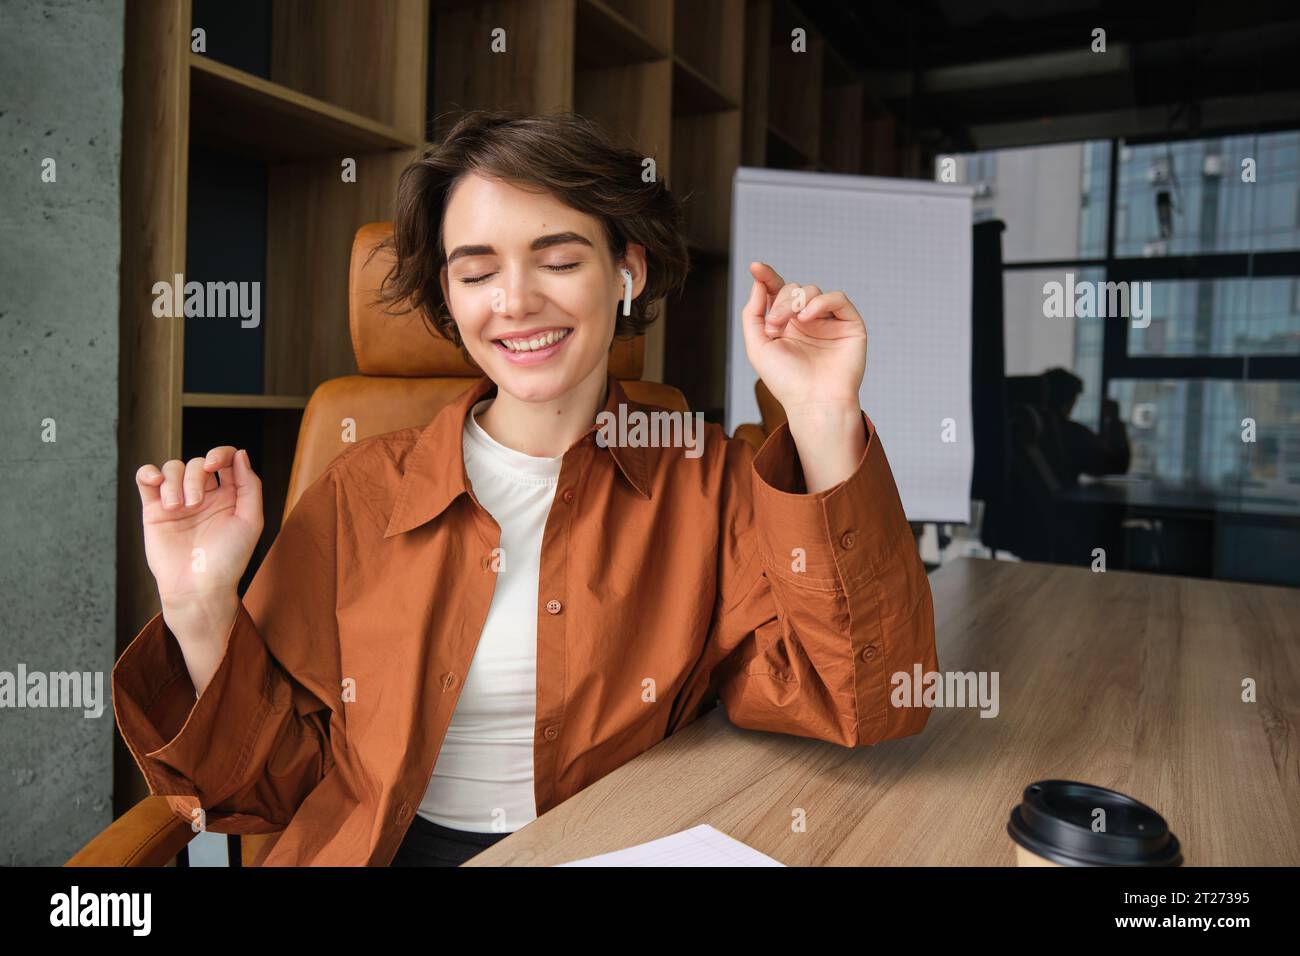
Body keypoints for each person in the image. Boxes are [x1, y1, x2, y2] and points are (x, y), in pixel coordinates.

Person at [113, 110, 937, 867]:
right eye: (476, 274)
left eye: (560, 259)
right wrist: (199, 605)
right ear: (448, 296)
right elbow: (269, 788)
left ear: (627, 273)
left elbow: (865, 703)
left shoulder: (707, 480)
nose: (515, 301)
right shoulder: (361, 487)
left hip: (602, 849)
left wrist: (824, 415)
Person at [1040, 367, 1131, 488]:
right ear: (1070, 400)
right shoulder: (1072, 434)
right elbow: (1117, 465)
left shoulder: (1021, 427)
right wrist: (1114, 420)